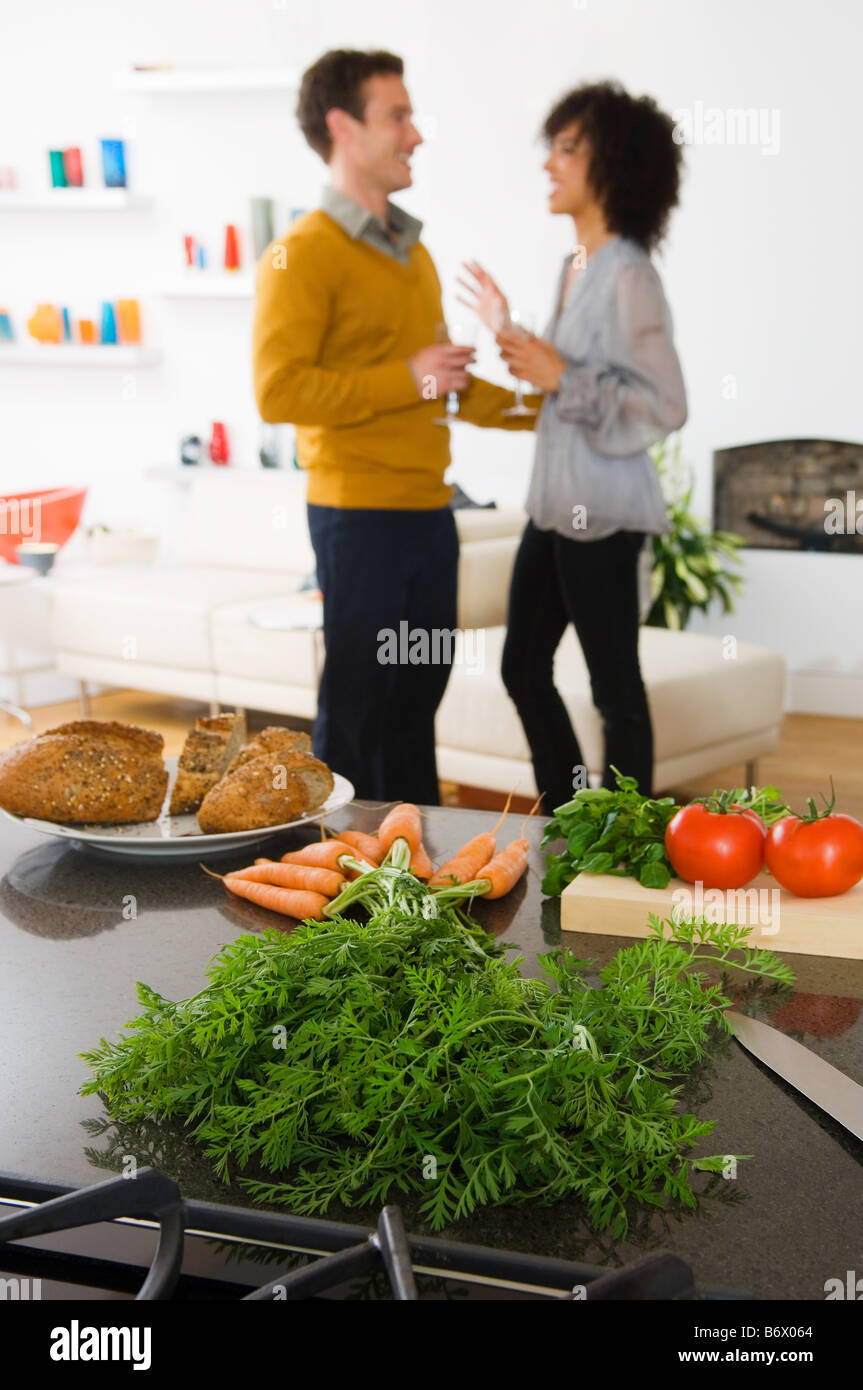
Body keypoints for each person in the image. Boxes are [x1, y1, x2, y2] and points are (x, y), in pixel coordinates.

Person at [252, 48, 536, 804]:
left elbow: (442, 386)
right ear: (343, 127)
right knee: (355, 714)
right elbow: (277, 391)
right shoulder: (299, 253)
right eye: (398, 116)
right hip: (357, 518)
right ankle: (331, 887)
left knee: (417, 708)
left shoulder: (416, 258)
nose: (415, 135)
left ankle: (421, 883)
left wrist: (556, 406)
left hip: (427, 518)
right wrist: (408, 374)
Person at [459, 80, 687, 811]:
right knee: (522, 670)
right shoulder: (574, 268)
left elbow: (664, 403)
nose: (548, 164)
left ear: (612, 164)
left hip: (605, 515)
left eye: (566, 148)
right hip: (553, 507)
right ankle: (569, 821)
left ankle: (626, 848)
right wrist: (509, 333)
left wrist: (561, 373)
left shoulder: (630, 277)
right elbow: (569, 381)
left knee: (613, 686)